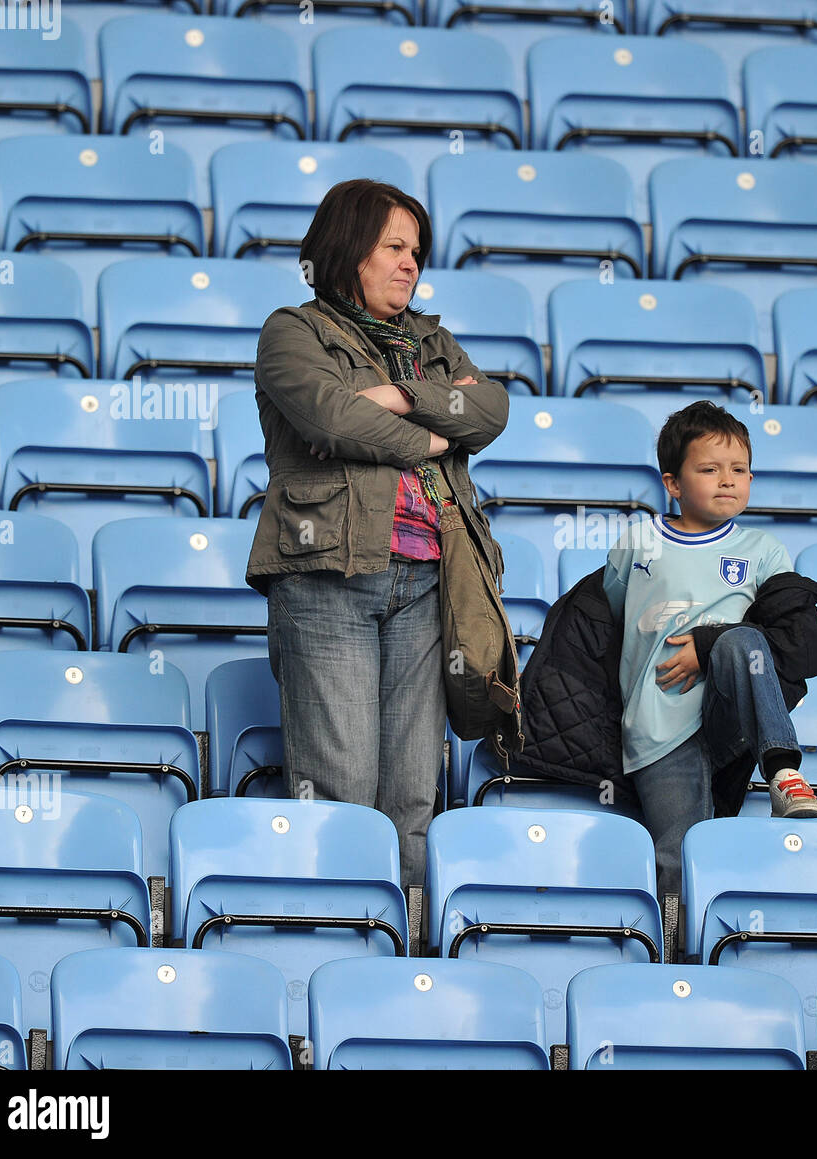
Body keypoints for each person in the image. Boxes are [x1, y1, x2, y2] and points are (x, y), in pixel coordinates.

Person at [245, 178, 510, 888]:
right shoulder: (292, 331)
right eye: (393, 246)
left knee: (412, 797)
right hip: (330, 572)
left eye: (416, 251)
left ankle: (406, 959)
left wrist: (402, 395)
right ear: (347, 247)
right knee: (342, 790)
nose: (409, 264)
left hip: (430, 582)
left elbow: (488, 410)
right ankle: (342, 954)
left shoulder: (430, 339)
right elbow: (331, 420)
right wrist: (430, 438)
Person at [600, 401, 817, 891]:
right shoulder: (638, 541)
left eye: (739, 469)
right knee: (680, 856)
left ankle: (784, 772)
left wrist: (706, 644)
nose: (727, 480)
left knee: (740, 640)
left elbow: (792, 643)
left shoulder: (763, 551)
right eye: (709, 469)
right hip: (660, 722)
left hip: (728, 717)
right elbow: (616, 616)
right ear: (673, 484)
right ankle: (670, 959)